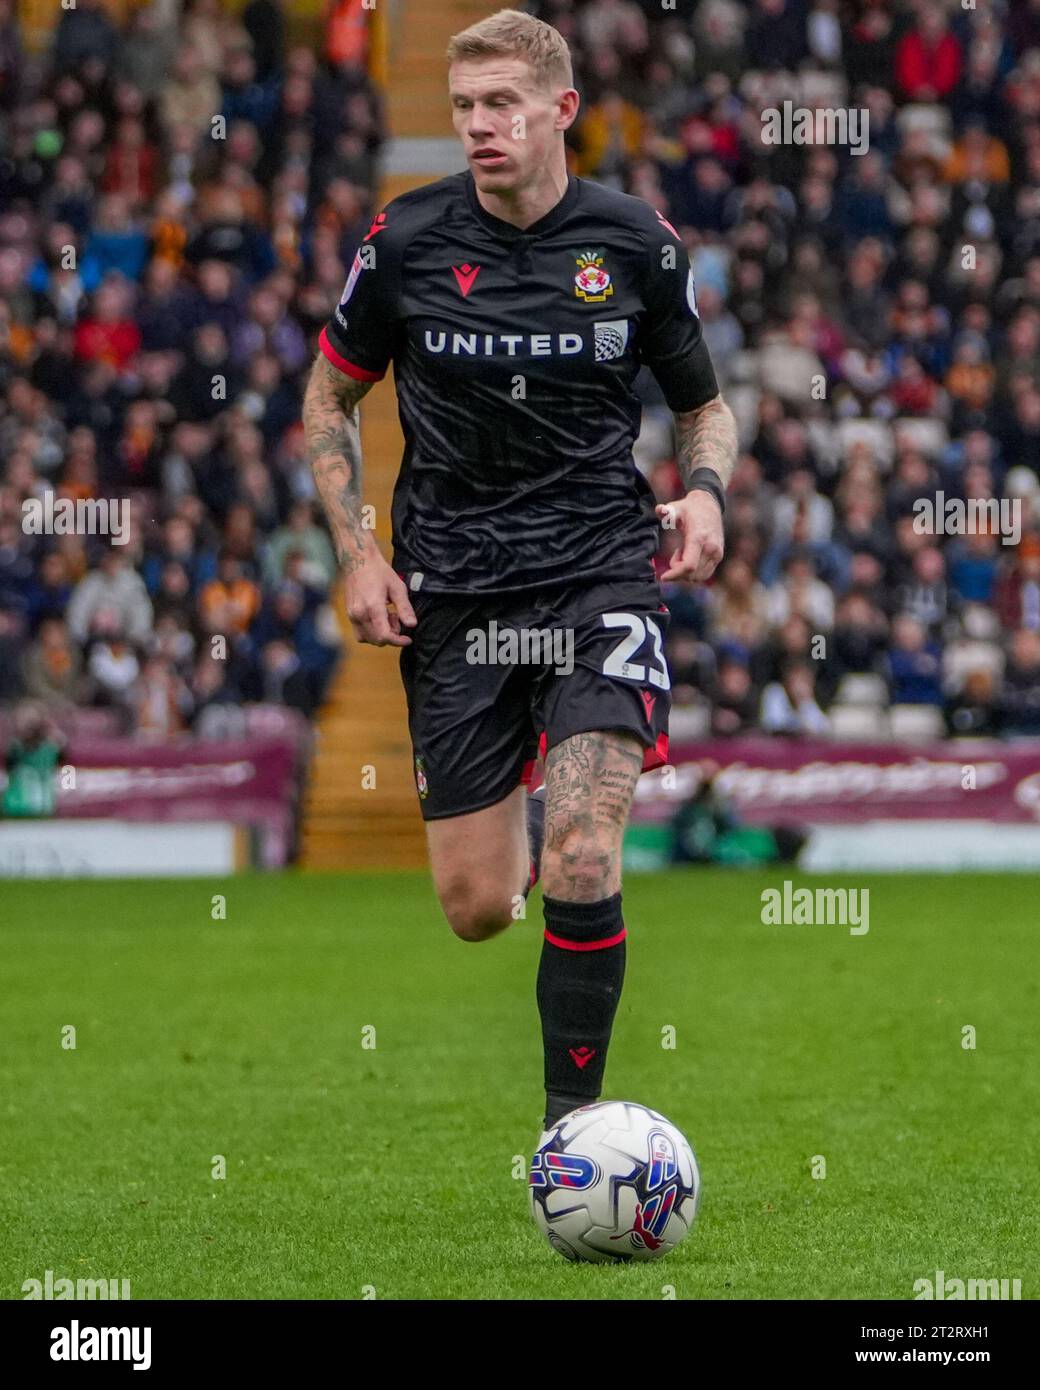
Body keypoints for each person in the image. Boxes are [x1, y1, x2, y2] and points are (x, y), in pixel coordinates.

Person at [302, 9, 737, 1131]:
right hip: (453, 592)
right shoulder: (401, 243)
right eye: (462, 106)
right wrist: (357, 552)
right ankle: (539, 803)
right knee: (480, 904)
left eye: (501, 103)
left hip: (597, 570)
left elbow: (703, 406)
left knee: (586, 854)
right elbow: (327, 397)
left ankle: (571, 1142)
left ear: (560, 111)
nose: (479, 126)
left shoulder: (634, 243)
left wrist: (705, 492)